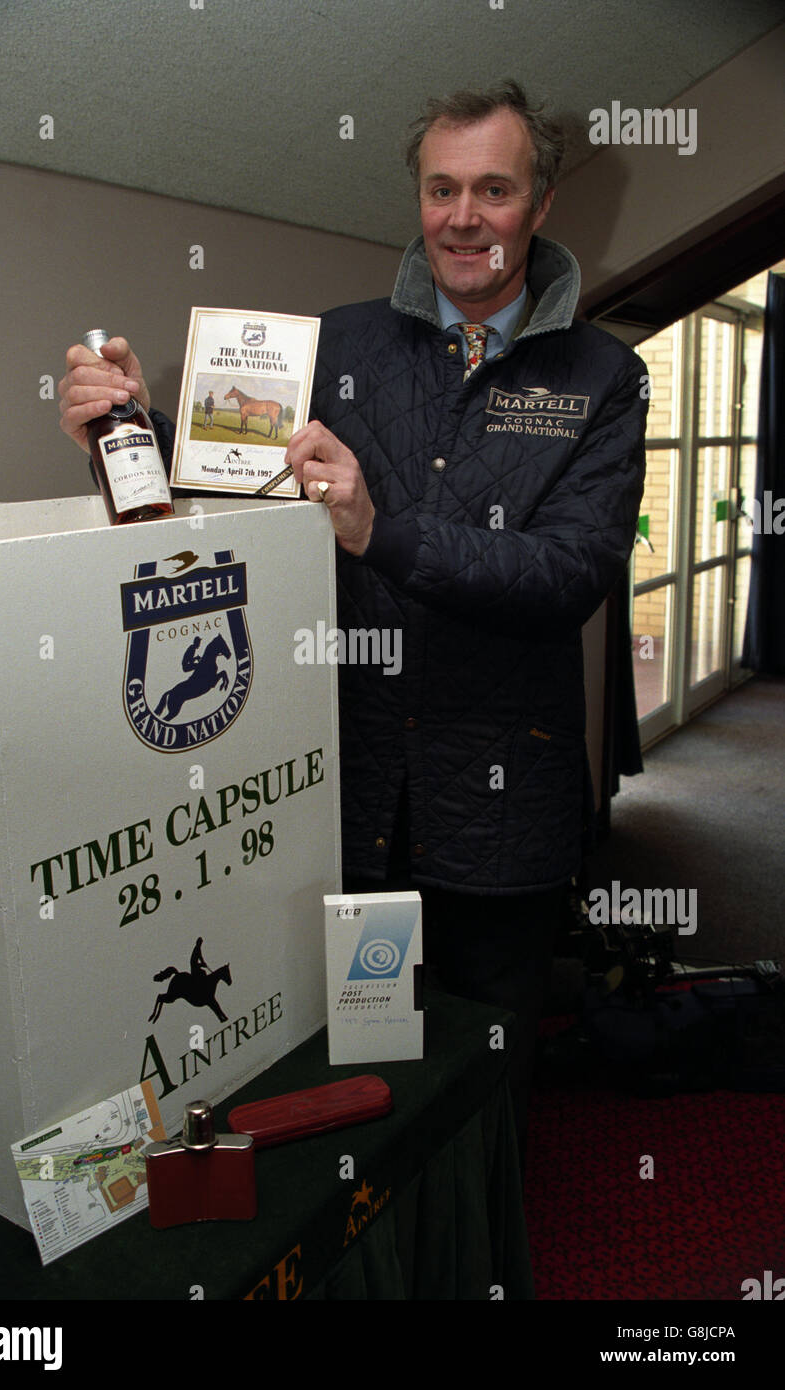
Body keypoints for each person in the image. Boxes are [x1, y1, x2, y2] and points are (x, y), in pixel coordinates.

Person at [59, 82, 648, 1171]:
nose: (463, 217)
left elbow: (566, 574)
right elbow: (222, 490)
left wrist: (382, 528)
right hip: (348, 793)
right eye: (440, 189)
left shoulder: (601, 376)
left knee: (484, 1075)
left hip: (500, 807)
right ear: (417, 198)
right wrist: (124, 424)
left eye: (493, 188)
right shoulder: (337, 341)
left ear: (541, 200)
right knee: (360, 1077)